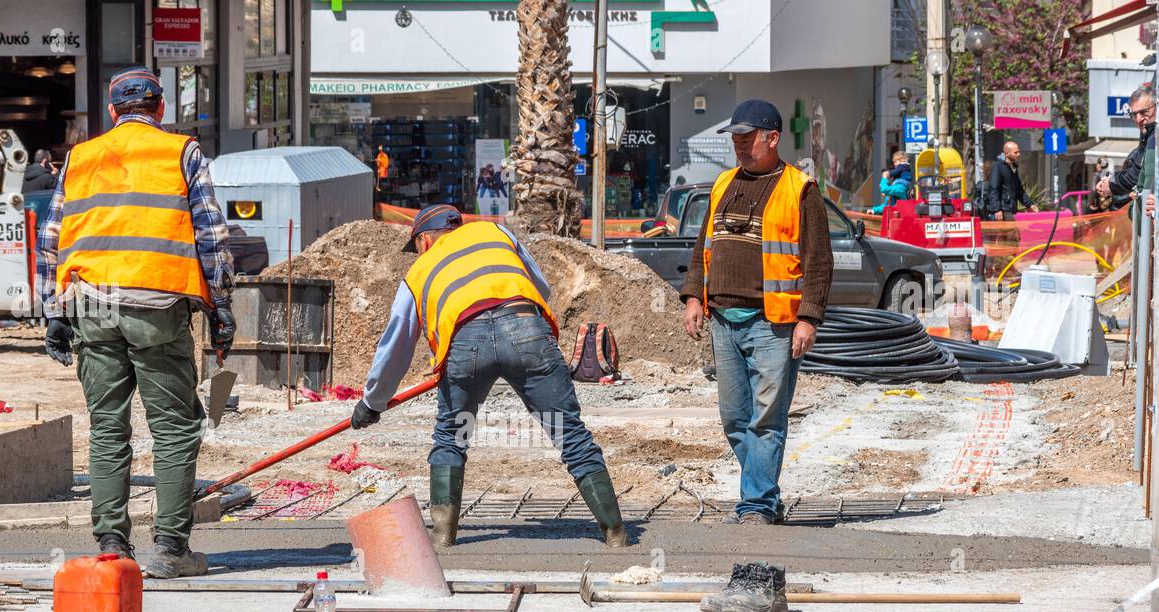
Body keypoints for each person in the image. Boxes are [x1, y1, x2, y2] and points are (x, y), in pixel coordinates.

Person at [36, 66, 235, 578]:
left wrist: (53, 312)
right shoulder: (181, 151)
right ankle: (170, 550)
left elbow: (51, 236)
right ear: (161, 108)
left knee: (107, 428)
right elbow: (211, 235)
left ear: (111, 111)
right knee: (173, 430)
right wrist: (221, 306)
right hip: (156, 304)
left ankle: (111, 548)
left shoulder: (80, 157)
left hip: (91, 305)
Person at [351, 204, 628, 549]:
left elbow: (396, 344)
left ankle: (443, 537)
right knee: (569, 432)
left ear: (424, 240)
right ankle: (615, 534)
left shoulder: (420, 271)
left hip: (466, 345)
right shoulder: (495, 233)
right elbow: (538, 287)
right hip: (526, 330)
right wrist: (520, 330)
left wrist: (372, 401)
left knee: (452, 435)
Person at [680, 98, 831, 530]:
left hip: (774, 323)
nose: (741, 147)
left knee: (766, 418)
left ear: (772, 138)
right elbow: (701, 247)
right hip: (724, 320)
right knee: (734, 418)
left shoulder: (800, 190)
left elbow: (819, 261)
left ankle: (757, 506)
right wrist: (694, 297)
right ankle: (764, 491)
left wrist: (809, 318)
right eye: (736, 139)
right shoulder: (724, 183)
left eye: (748, 139)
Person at [1097, 84, 1155, 211]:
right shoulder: (1148, 134)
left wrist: (1111, 184)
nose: (1139, 119)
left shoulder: (1155, 135)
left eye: (1144, 112)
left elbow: (1136, 174)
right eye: (1134, 114)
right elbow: (1136, 170)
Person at [988, 141, 1038, 221]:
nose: (1019, 154)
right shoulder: (998, 166)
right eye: (1016, 152)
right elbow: (994, 188)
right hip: (1002, 211)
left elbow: (1019, 190)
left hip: (1011, 209)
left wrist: (1029, 204)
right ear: (1007, 153)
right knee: (1005, 233)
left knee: (1012, 232)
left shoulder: (1013, 167)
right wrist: (996, 209)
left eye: (1019, 152)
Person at [871, 150, 913, 214]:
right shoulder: (896, 188)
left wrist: (885, 177)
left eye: (895, 162)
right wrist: (874, 210)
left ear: (901, 160)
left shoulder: (901, 187)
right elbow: (886, 206)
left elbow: (885, 189)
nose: (894, 164)